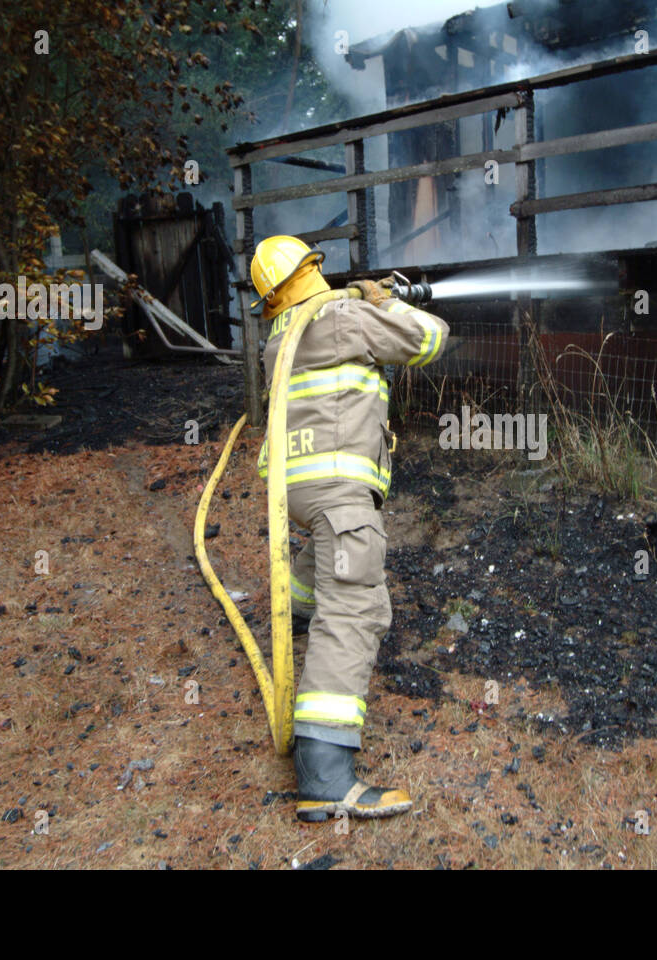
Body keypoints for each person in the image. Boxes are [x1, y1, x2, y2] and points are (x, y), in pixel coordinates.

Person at [250, 235, 449, 821]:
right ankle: (325, 775)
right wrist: (388, 303)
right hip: (339, 488)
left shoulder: (278, 337)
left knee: (325, 563)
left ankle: (297, 615)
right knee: (358, 605)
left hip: (297, 489)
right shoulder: (344, 317)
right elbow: (430, 338)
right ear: (312, 269)